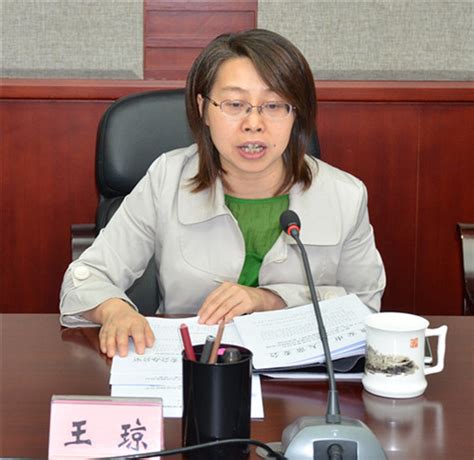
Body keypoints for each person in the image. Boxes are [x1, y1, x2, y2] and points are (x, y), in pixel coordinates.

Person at [60, 29, 385, 358]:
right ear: (203, 108)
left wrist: (271, 300)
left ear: (296, 114)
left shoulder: (345, 196)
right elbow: (85, 279)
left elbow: (365, 309)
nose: (253, 123)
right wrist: (114, 310)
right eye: (235, 104)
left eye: (274, 105)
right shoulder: (167, 180)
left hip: (300, 379)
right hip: (192, 369)